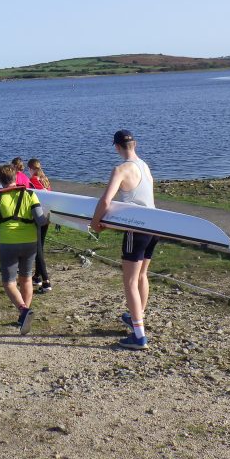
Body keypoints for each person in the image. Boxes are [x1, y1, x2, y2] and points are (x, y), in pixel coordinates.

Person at [90, 130, 156, 350]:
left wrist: (95, 222)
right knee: (142, 276)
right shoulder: (144, 166)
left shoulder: (120, 169)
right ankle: (136, 317)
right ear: (134, 144)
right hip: (154, 227)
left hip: (136, 230)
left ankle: (139, 336)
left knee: (129, 282)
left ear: (117, 147)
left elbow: (105, 200)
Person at [0, 164, 48, 335]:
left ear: (0, 181)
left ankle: (23, 311)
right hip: (30, 242)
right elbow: (40, 220)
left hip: (9, 243)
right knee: (26, 278)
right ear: (16, 177)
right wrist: (48, 218)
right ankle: (24, 315)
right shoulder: (30, 194)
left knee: (9, 282)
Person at [27, 158, 52, 293]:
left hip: (37, 217)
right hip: (47, 217)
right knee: (40, 246)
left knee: (38, 250)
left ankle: (46, 281)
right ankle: (37, 276)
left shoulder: (31, 181)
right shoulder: (45, 180)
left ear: (31, 169)